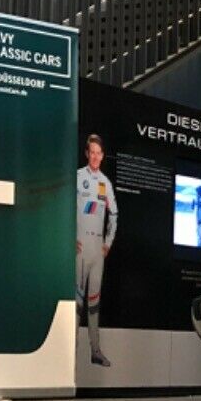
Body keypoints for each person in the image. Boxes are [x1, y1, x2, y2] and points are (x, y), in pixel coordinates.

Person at [76, 134, 119, 367]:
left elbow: (114, 214)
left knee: (94, 302)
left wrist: (108, 243)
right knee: (77, 302)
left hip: (97, 248)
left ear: (102, 156)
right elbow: (68, 208)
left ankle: (95, 350)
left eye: (98, 153)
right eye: (91, 152)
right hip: (80, 246)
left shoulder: (105, 182)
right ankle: (69, 351)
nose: (95, 156)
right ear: (87, 153)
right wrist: (71, 236)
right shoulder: (78, 177)